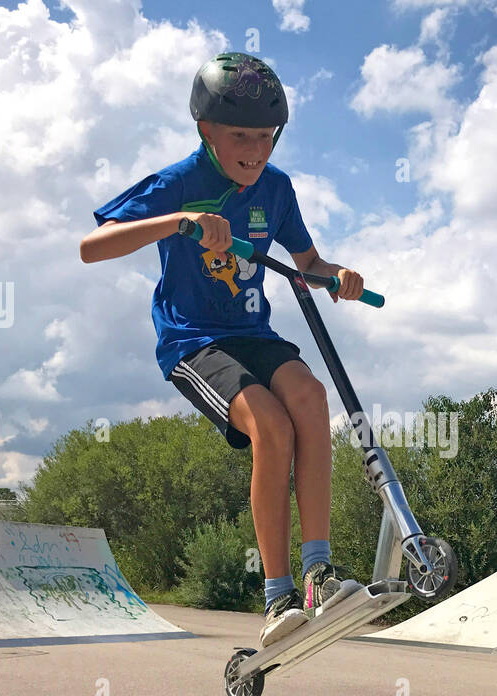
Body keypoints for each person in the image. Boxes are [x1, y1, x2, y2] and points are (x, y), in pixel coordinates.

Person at [80, 52, 365, 647]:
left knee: (309, 399)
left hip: (254, 333)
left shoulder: (277, 189)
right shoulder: (178, 183)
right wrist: (178, 219)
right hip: (193, 341)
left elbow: (307, 264)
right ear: (205, 129)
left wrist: (339, 276)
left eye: (266, 138)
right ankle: (278, 596)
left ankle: (319, 572)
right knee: (271, 425)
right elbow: (92, 247)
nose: (255, 151)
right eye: (241, 136)